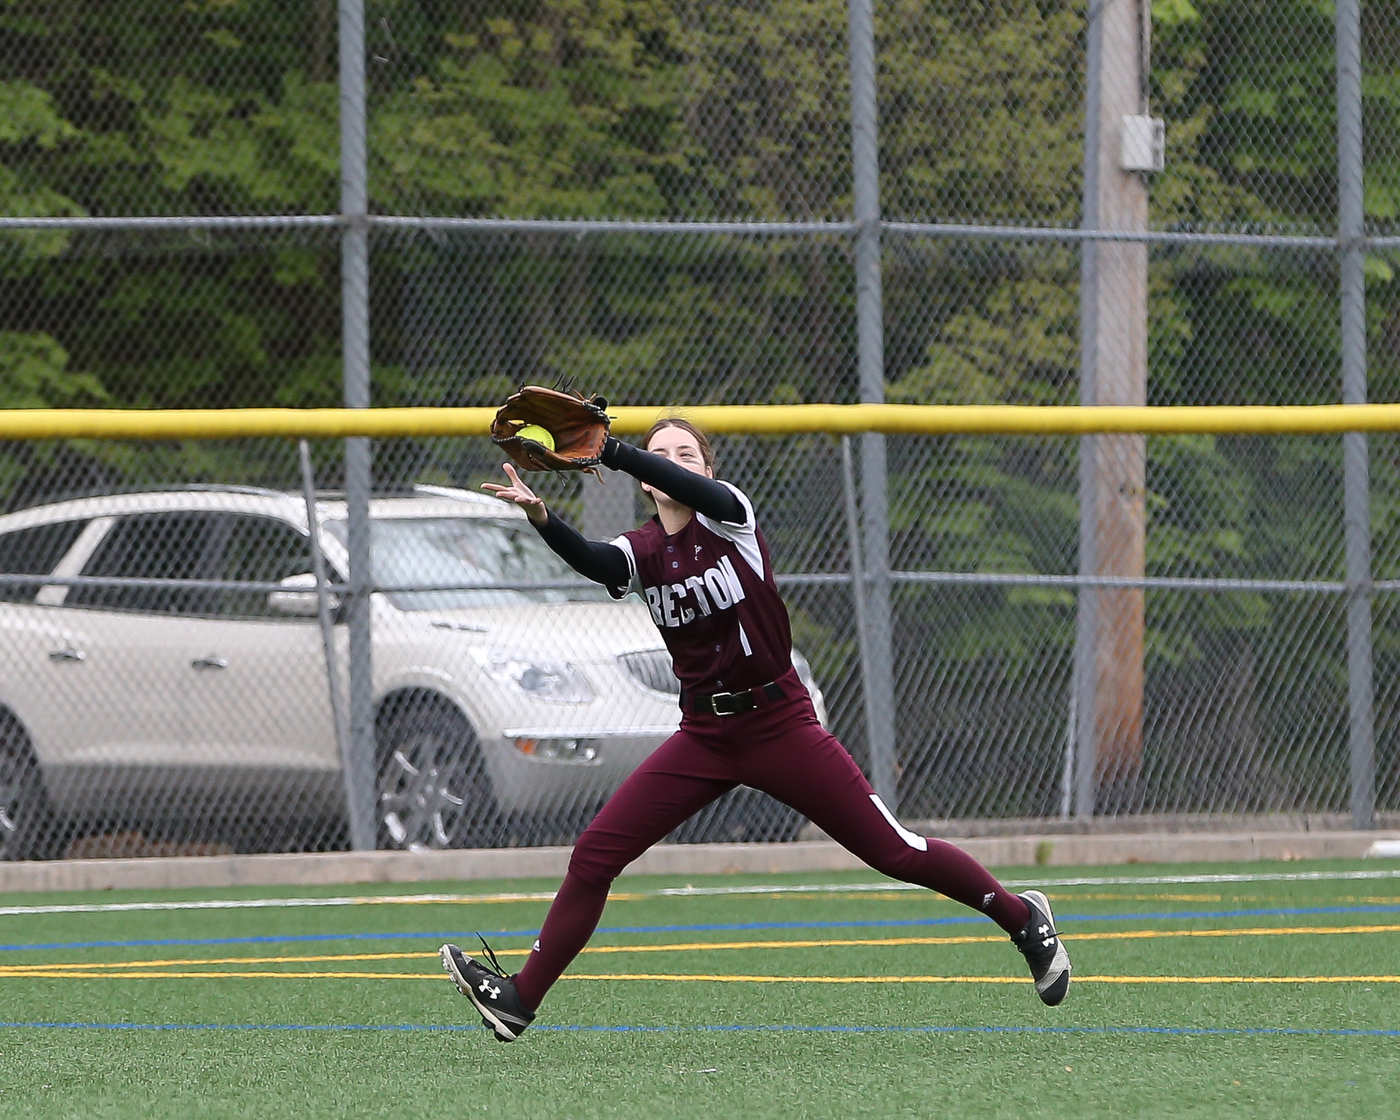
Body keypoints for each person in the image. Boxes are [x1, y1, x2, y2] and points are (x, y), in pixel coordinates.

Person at [440, 419, 1071, 1041]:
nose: (673, 463)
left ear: (708, 471)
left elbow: (691, 490)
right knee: (595, 854)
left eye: (686, 454)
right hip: (704, 736)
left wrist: (619, 451)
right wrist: (543, 518)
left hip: (779, 725)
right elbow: (595, 560)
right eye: (663, 455)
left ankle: (1024, 920)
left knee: (894, 851)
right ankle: (521, 999)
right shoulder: (643, 550)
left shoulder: (730, 516)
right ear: (646, 485)